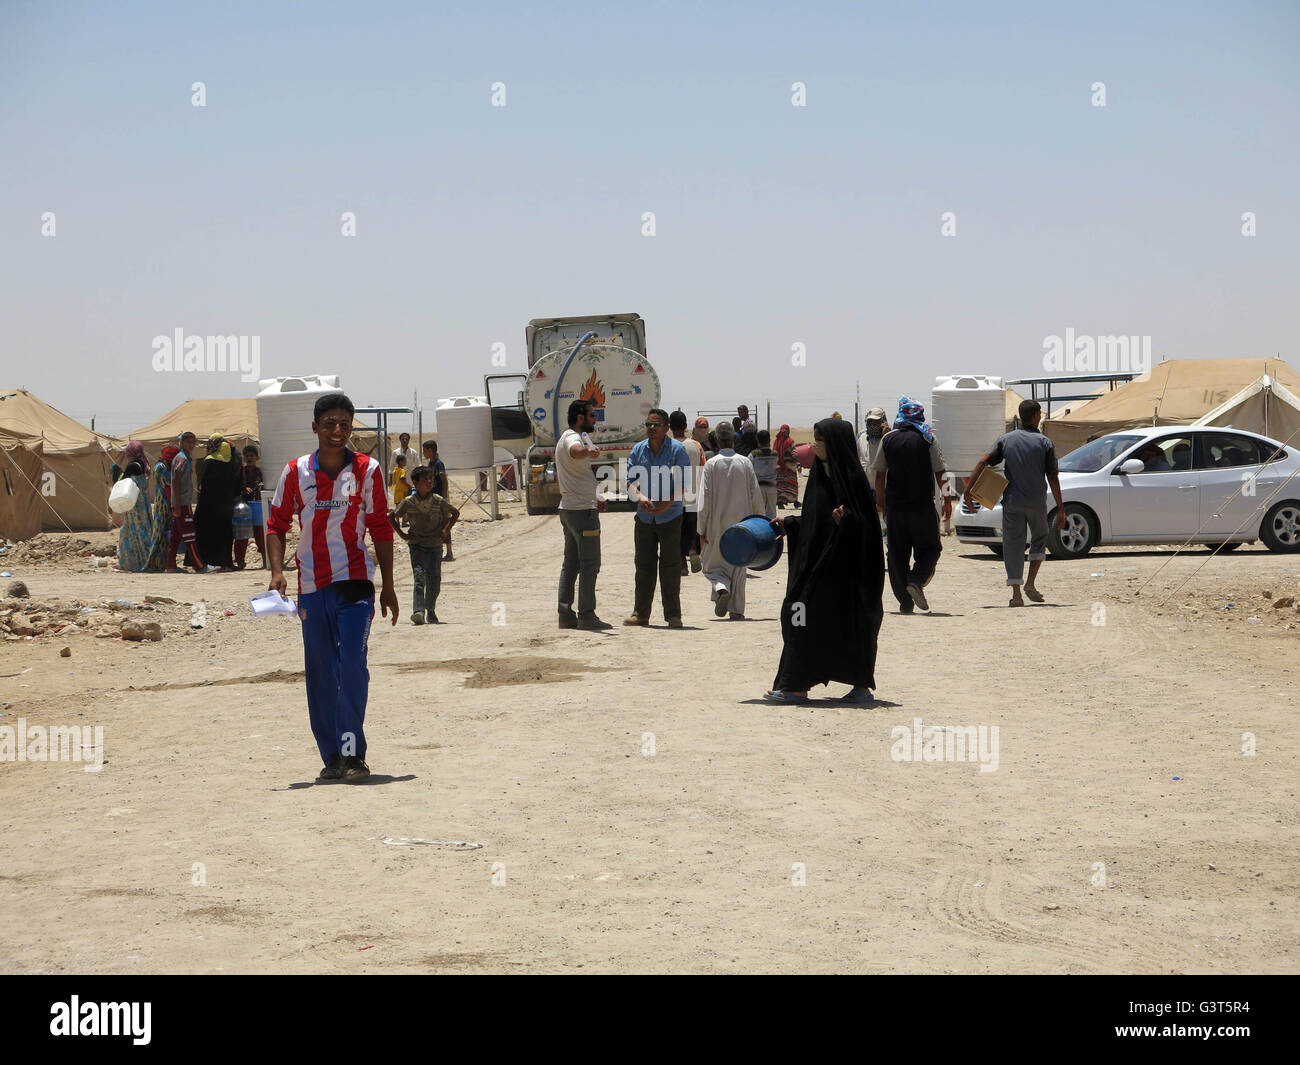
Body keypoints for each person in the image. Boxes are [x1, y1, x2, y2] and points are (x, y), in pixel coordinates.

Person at [268, 392, 397, 783]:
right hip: (311, 587)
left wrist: (389, 585)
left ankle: (352, 753)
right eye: (329, 424)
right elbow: (276, 524)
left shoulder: (368, 470)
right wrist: (276, 572)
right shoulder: (295, 472)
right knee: (321, 674)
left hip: (355, 584)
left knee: (353, 667)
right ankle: (332, 757)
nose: (337, 431)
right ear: (315, 427)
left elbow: (380, 527)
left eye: (344, 424)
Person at [765, 418, 885, 703]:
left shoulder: (852, 480)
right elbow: (816, 522)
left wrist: (848, 520)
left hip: (847, 574)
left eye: (820, 441)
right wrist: (791, 524)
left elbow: (869, 530)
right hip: (817, 569)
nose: (816, 446)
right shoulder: (819, 477)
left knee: (850, 624)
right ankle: (796, 683)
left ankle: (856, 687)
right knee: (797, 615)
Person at [964, 399, 1066, 607]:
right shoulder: (1045, 443)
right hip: (1036, 501)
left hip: (1012, 501)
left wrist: (968, 491)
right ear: (1036, 416)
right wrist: (1061, 508)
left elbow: (983, 461)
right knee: (1040, 538)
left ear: (1020, 416)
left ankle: (1017, 594)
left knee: (1013, 545)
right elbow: (1052, 476)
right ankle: (1030, 583)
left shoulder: (1005, 440)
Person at [870, 397, 950, 614]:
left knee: (897, 554)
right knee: (931, 548)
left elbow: (880, 475)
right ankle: (916, 579)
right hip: (922, 507)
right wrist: (947, 500)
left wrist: (880, 503)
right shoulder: (927, 438)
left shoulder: (888, 439)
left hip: (896, 509)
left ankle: (905, 602)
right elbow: (941, 472)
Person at [624, 408, 691, 628]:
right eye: (648, 424)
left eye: (656, 425)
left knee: (670, 567)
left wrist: (666, 505)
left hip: (670, 517)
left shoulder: (677, 450)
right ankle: (640, 614)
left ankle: (673, 615)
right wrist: (640, 497)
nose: (651, 428)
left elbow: (684, 483)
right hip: (644, 519)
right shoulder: (638, 450)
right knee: (643, 565)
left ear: (666, 428)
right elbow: (630, 482)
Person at [697, 420, 765, 620]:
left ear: (717, 440)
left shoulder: (711, 464)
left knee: (711, 566)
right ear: (733, 439)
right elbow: (756, 495)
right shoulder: (744, 462)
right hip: (743, 524)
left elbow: (704, 500)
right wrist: (760, 522)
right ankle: (736, 610)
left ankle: (720, 588)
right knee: (738, 566)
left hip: (716, 524)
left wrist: (701, 529)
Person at [556, 399, 611, 630]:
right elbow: (575, 451)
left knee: (571, 564)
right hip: (581, 512)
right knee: (590, 564)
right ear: (580, 418)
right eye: (592, 415)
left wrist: (595, 496)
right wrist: (588, 450)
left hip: (570, 509)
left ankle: (566, 615)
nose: (595, 419)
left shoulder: (571, 436)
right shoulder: (572, 438)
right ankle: (587, 615)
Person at [390, 465, 459, 624]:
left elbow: (455, 513)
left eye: (431, 479)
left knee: (435, 580)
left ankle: (430, 609)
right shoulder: (409, 502)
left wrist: (445, 531)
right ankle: (418, 611)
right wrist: (402, 535)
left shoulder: (438, 500)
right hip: (416, 545)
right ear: (415, 482)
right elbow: (392, 517)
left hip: (435, 546)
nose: (429, 482)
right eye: (425, 479)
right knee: (419, 577)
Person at [195, 434, 239, 570]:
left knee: (206, 532)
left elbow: (203, 484)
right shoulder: (232, 463)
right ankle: (225, 562)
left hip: (208, 504)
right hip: (225, 504)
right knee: (225, 534)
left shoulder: (208, 462)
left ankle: (203, 562)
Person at [670, 410, 705, 575]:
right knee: (691, 525)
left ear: (670, 427)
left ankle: (682, 565)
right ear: (685, 426)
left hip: (674, 494)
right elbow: (703, 468)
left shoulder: (667, 446)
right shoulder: (696, 445)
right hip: (693, 493)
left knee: (676, 529)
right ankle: (692, 549)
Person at [164, 432, 204, 572]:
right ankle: (198, 565)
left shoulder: (185, 457)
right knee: (189, 535)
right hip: (182, 503)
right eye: (188, 442)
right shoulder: (182, 459)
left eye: (193, 442)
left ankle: (170, 565)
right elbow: (176, 480)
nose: (191, 445)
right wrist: (177, 504)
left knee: (175, 535)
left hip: (181, 502)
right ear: (182, 443)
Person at [115, 441, 152, 572]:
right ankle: (147, 559)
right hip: (143, 505)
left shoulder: (132, 466)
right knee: (143, 531)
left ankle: (132, 563)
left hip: (134, 507)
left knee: (130, 533)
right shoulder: (144, 464)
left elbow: (122, 482)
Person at [146, 444, 178, 572]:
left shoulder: (165, 467)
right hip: (163, 503)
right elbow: (169, 483)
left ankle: (162, 562)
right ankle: (153, 563)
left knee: (166, 533)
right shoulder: (160, 468)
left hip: (168, 502)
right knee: (160, 532)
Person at [421, 439, 454, 562]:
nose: (423, 453)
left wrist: (443, 498)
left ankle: (449, 552)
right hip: (433, 497)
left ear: (430, 450)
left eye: (425, 451)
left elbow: (444, 480)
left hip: (440, 498)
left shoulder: (439, 464)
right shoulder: (431, 463)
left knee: (445, 523)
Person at [234, 444, 266, 569]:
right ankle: (240, 561)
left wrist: (262, 485)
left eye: (252, 456)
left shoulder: (260, 472)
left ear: (257, 458)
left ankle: (265, 559)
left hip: (257, 505)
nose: (249, 458)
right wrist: (243, 488)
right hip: (244, 507)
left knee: (260, 533)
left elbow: (264, 484)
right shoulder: (241, 471)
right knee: (242, 534)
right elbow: (236, 486)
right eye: (247, 456)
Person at [749, 429, 779, 519]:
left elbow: (749, 468)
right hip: (772, 486)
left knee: (759, 511)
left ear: (758, 441)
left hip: (759, 487)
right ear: (769, 440)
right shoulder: (775, 454)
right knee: (772, 511)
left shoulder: (753, 454)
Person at [774, 424, 799, 509]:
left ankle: (780, 502)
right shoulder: (790, 441)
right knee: (791, 484)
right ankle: (795, 501)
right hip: (789, 467)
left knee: (781, 485)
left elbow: (774, 453)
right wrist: (797, 460)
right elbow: (794, 453)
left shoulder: (776, 442)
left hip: (779, 468)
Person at [856, 407, 887, 475]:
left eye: (875, 422)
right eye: (869, 422)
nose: (872, 425)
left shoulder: (888, 439)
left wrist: (887, 436)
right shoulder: (861, 438)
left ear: (883, 422)